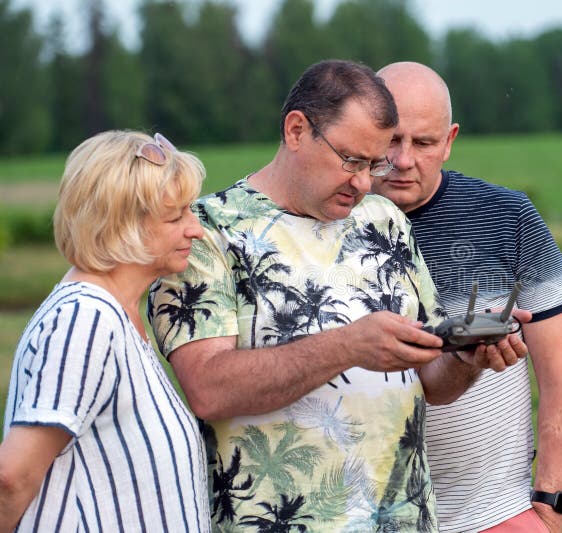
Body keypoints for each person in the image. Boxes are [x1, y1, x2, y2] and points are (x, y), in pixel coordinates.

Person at [147, 59, 529, 532]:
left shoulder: (385, 220)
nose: (364, 182)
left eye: (373, 164)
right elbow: (208, 390)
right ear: (296, 130)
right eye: (350, 160)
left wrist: (467, 357)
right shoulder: (206, 234)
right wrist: (348, 346)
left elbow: (433, 383)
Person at [372, 61, 562, 533]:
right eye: (391, 139)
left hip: (495, 513)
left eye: (424, 143)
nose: (404, 160)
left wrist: (550, 505)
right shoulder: (329, 223)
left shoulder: (509, 216)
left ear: (449, 141)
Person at [0, 130, 210, 532]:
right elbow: (12, 479)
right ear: (120, 226)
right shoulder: (86, 319)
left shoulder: (118, 315)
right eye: (175, 217)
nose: (195, 229)